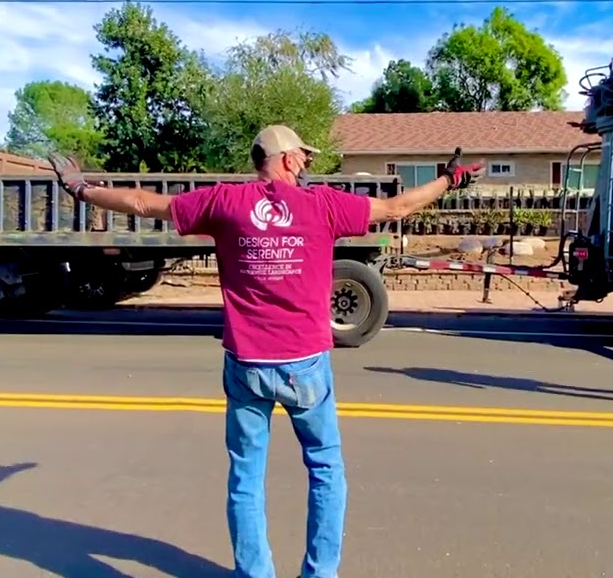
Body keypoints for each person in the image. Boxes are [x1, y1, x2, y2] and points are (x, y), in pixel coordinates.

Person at [47, 126, 481, 578]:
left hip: (247, 364)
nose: (310, 164)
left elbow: (143, 203)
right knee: (326, 470)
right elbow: (398, 207)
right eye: (305, 157)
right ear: (288, 159)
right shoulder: (323, 205)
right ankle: (320, 573)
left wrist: (81, 189)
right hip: (305, 365)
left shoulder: (224, 202)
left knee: (246, 478)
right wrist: (449, 180)